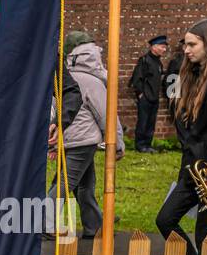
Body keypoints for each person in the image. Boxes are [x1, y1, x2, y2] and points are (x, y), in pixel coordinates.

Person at [155, 20, 207, 255]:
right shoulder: (190, 74)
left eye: (192, 44)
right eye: (185, 44)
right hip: (191, 169)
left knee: (205, 234)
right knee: (165, 220)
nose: (186, 50)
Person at [57, 37, 124, 241]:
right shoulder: (92, 82)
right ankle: (44, 221)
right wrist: (118, 144)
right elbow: (106, 114)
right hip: (84, 141)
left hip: (66, 138)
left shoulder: (65, 78)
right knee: (64, 183)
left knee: (85, 185)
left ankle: (93, 225)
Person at [128, 35, 168, 152]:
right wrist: (141, 94)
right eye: (162, 46)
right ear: (154, 47)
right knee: (143, 122)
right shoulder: (144, 60)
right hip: (145, 98)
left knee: (151, 123)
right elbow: (137, 78)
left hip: (154, 98)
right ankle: (140, 145)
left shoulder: (158, 62)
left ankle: (148, 145)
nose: (164, 49)